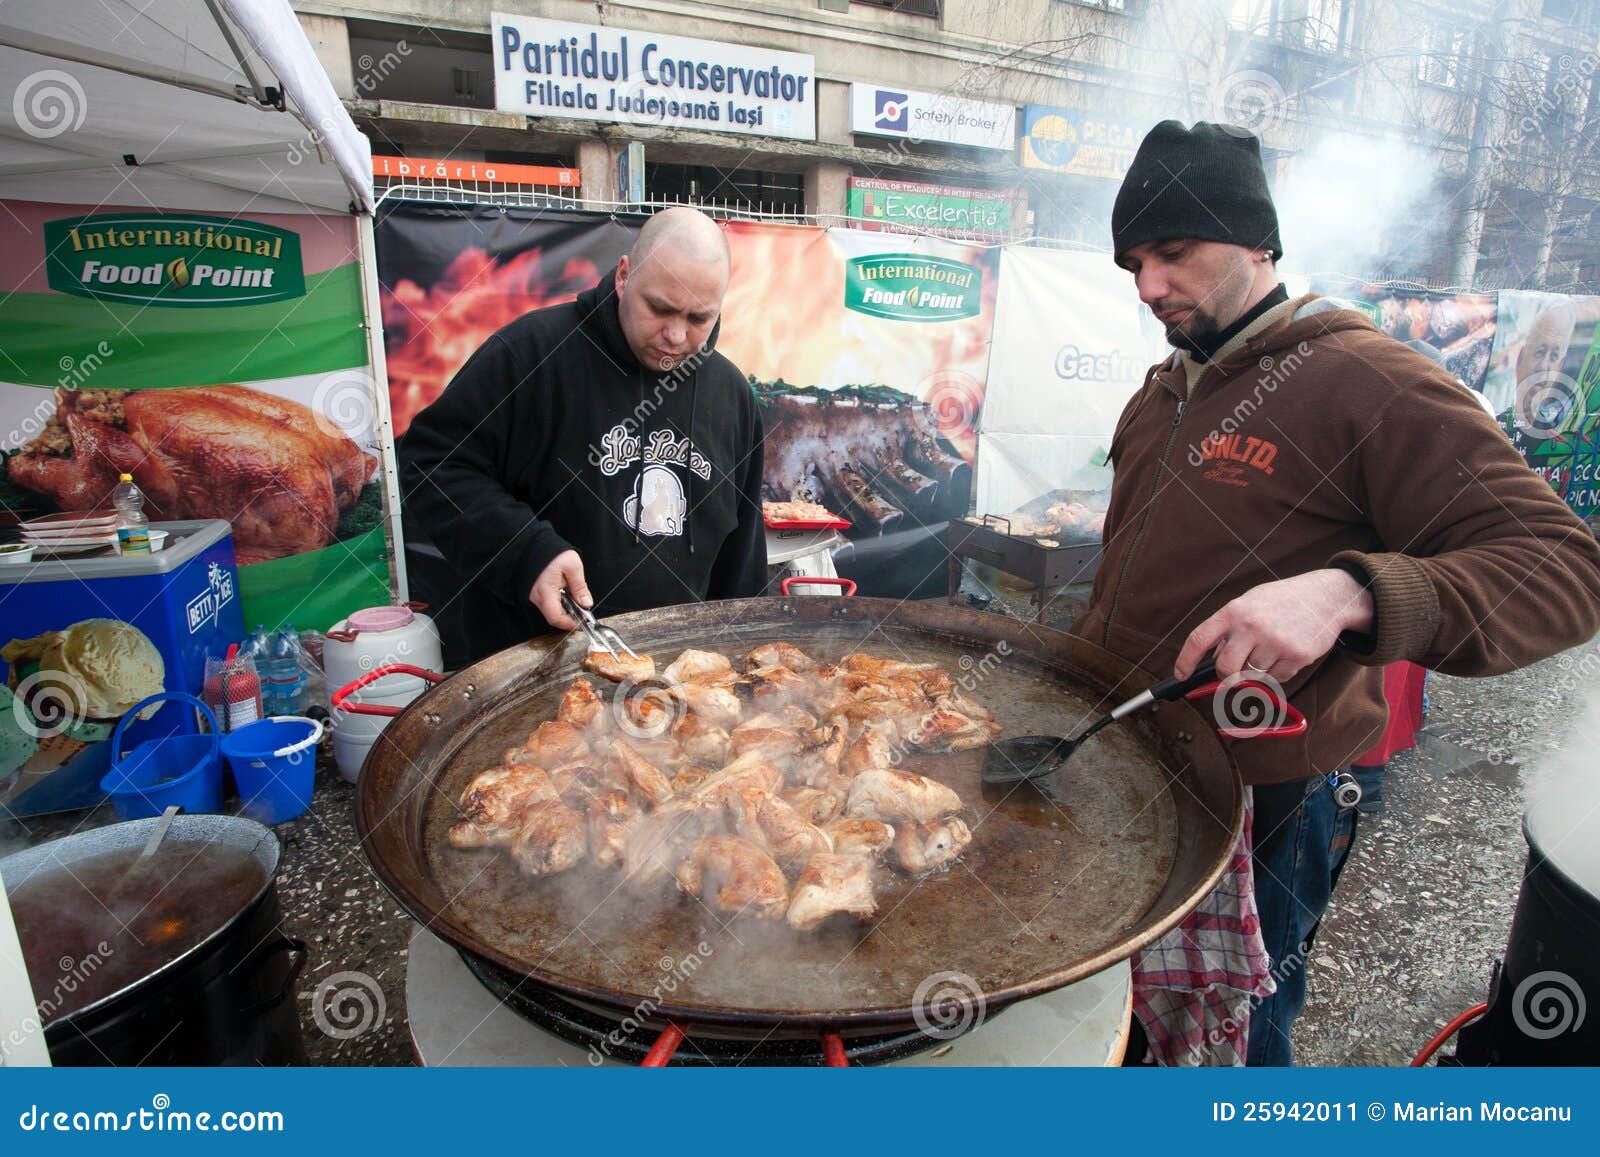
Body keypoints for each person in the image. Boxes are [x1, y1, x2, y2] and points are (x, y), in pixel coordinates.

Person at [1083, 120, 1600, 1065]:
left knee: (1238, 1045)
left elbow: (1564, 567)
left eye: (1172, 253)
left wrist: (1349, 591)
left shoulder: (1365, 378)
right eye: (1133, 262)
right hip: (1131, 783)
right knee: (1125, 1038)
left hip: (1268, 805)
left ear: (1258, 243)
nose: (1148, 286)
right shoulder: (1164, 392)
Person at [399, 207, 767, 663]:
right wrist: (526, 552)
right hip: (532, 669)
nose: (675, 334)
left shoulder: (732, 395)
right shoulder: (531, 355)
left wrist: (742, 655)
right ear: (624, 277)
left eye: (698, 318)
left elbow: (742, 554)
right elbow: (430, 464)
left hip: (678, 677)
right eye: (659, 308)